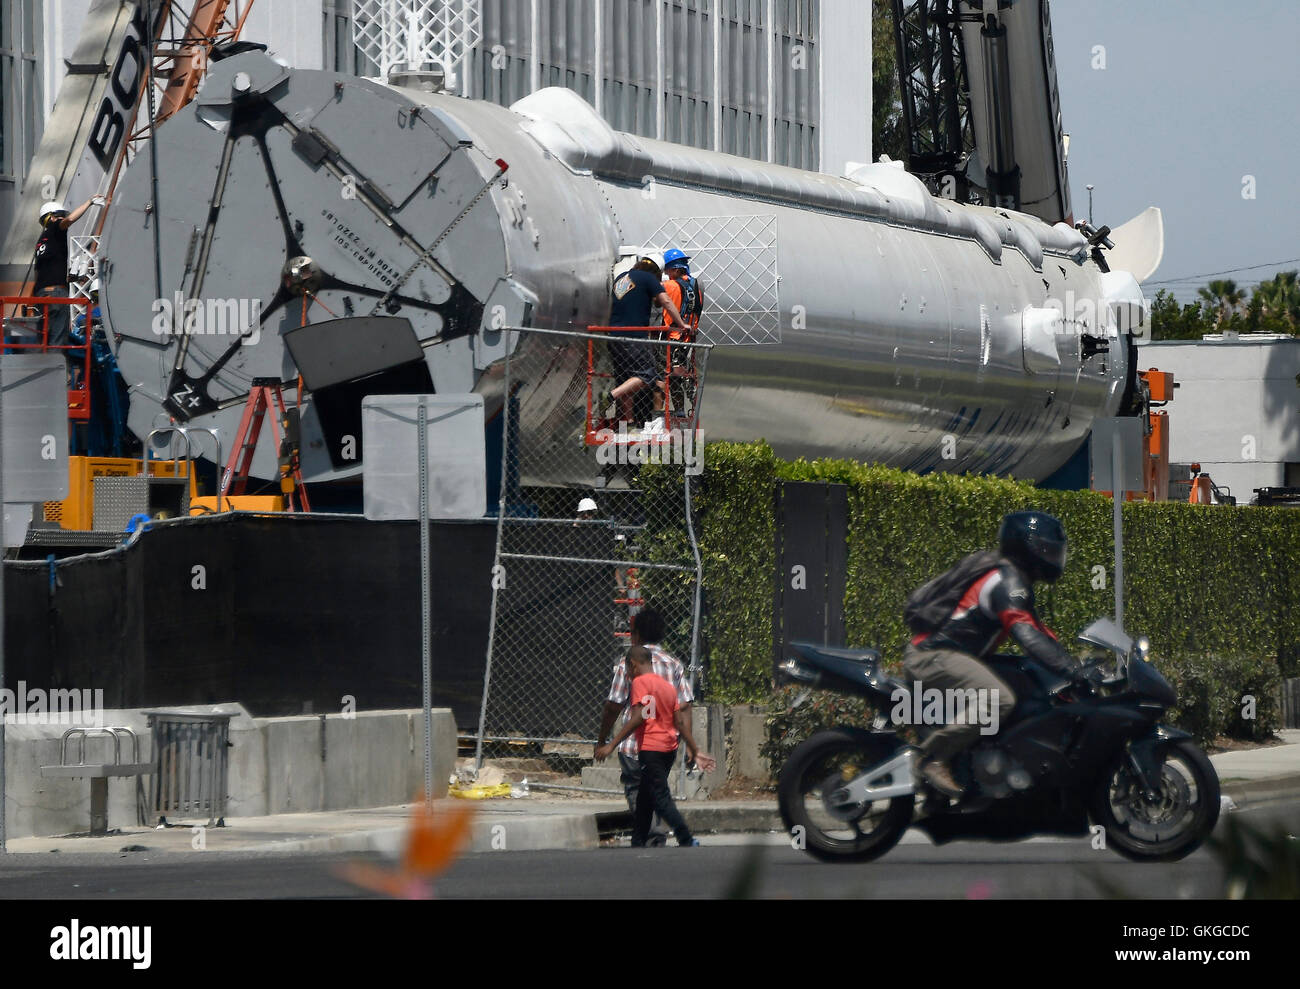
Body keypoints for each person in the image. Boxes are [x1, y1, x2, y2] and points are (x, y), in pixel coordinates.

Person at [902, 510, 1087, 798]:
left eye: (1054, 550)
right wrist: (1071, 671)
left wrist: (1075, 662)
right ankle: (931, 757)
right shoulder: (1005, 582)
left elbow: (1037, 630)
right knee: (998, 699)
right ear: (1026, 548)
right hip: (932, 658)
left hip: (953, 658)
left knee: (1026, 678)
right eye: (1046, 549)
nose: (1052, 556)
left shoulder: (1014, 579)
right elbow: (1025, 634)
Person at [595, 645, 715, 847]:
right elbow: (679, 723)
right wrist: (694, 750)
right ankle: (639, 840)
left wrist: (612, 744)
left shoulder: (639, 683)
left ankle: (685, 837)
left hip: (651, 749)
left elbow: (640, 716)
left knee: (660, 796)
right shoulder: (667, 687)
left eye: (626, 670)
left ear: (633, 665)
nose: (627, 675)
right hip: (668, 749)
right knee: (644, 797)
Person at [595, 606, 693, 838]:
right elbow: (685, 705)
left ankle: (654, 835)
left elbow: (614, 706)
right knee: (655, 789)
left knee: (637, 789)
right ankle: (648, 837)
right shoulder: (673, 664)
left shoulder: (629, 663)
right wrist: (689, 745)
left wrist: (604, 740)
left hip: (635, 746)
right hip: (664, 746)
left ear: (636, 635)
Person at [607, 257, 689, 430]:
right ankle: (610, 397)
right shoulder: (648, 278)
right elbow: (665, 301)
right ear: (656, 271)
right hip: (634, 337)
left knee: (627, 379)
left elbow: (630, 301)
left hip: (613, 336)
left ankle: (629, 422)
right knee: (648, 375)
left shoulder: (623, 278)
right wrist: (682, 324)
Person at [33, 196, 107, 348]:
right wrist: (89, 202)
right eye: (60, 215)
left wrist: (67, 278)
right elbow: (70, 219)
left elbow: (41, 272)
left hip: (41, 295)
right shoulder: (55, 229)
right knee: (58, 341)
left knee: (45, 339)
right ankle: (56, 363)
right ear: (51, 218)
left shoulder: (41, 243)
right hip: (56, 295)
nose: (63, 218)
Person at [656, 248, 704, 430]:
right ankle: (680, 411)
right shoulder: (697, 286)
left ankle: (657, 416)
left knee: (661, 378)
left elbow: (655, 299)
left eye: (668, 270)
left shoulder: (669, 286)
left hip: (671, 339)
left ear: (675, 269)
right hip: (687, 341)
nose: (667, 274)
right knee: (677, 377)